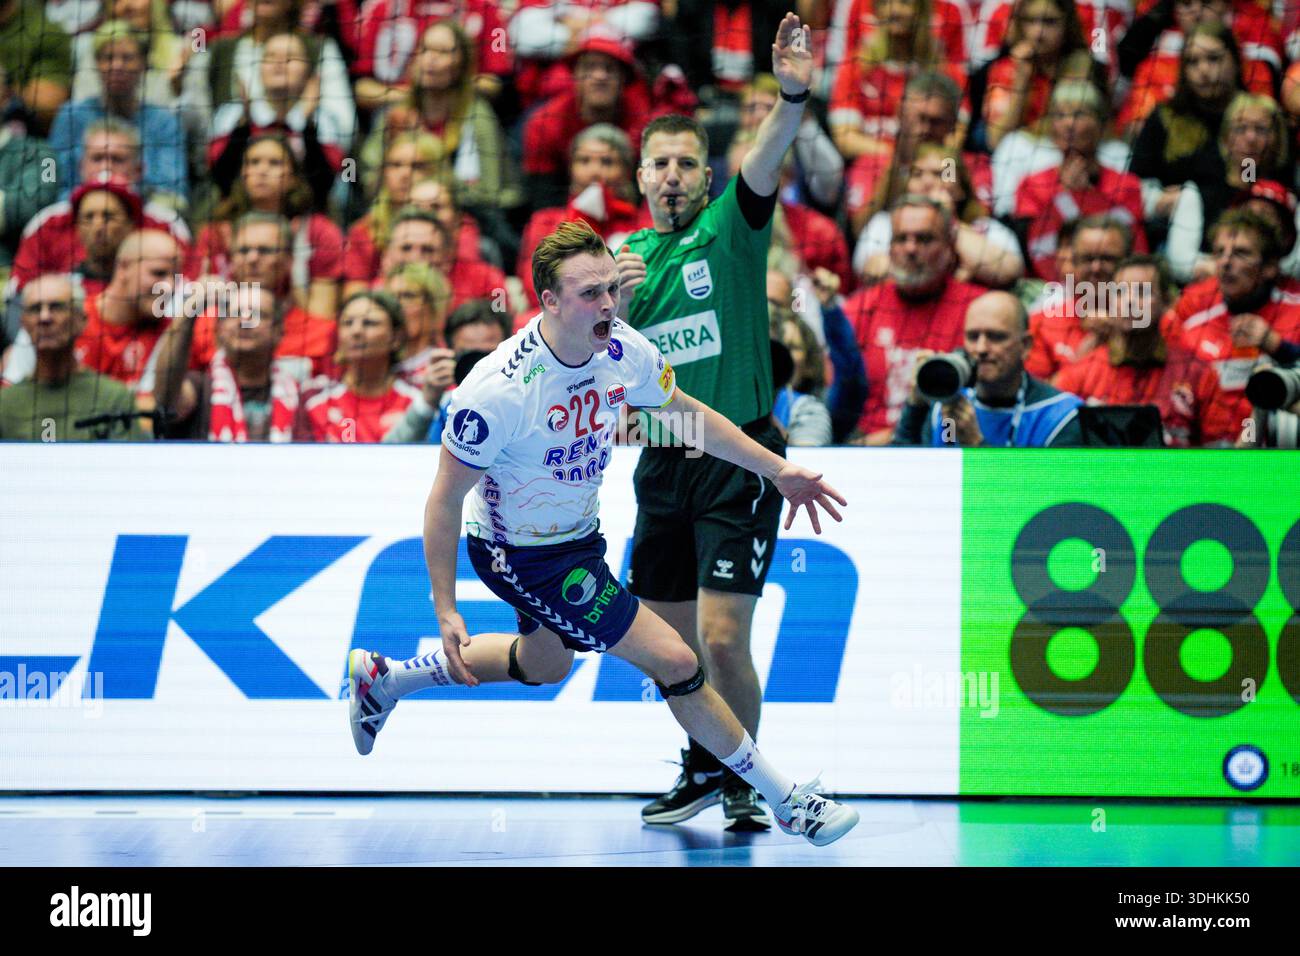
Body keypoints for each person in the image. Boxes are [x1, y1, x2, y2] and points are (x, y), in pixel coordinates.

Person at [345, 219, 860, 847]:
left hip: (578, 537)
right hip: (519, 554)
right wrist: (445, 604)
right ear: (550, 300)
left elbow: (687, 415)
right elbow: (444, 497)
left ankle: (386, 678)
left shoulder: (622, 347)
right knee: (675, 658)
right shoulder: (498, 389)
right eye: (590, 293)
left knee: (544, 664)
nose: (608, 305)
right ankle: (788, 801)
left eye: (612, 289)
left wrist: (777, 469)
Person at [613, 12, 818, 830]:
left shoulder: (730, 230)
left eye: (686, 164)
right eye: (658, 163)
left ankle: (744, 784)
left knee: (725, 640)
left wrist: (793, 93)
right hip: (661, 466)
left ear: (705, 177)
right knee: (670, 650)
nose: (671, 175)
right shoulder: (621, 265)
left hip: (738, 457)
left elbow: (766, 157)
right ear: (639, 176)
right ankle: (706, 767)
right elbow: (600, 385)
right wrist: (614, 316)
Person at [843, 195, 988, 444]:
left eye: (924, 239)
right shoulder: (858, 309)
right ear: (889, 247)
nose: (910, 249)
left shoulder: (978, 310)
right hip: (865, 451)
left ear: (950, 244)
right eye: (901, 239)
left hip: (944, 446)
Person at [1160, 208, 1300, 445]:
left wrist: (1277, 346)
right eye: (1219, 253)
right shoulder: (1193, 320)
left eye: (1241, 253)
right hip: (1209, 461)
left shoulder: (1296, 311)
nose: (1226, 262)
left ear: (1270, 267)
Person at [1054, 254, 1217, 446]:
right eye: (1120, 292)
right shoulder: (1078, 374)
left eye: (1142, 292)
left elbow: (1220, 450)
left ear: (1167, 302)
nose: (1129, 301)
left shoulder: (1198, 374)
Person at [893, 290, 1084, 446]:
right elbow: (907, 475)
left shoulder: (1059, 416)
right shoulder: (948, 406)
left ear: (1025, 345)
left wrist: (976, 444)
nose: (981, 348)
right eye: (973, 337)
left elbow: (1043, 491)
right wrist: (915, 405)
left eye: (996, 337)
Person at [192, 132, 343, 319]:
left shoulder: (320, 232)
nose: (262, 170)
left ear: (294, 177)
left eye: (275, 163)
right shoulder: (215, 233)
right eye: (254, 162)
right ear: (242, 174)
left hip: (297, 334)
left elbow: (322, 315)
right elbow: (201, 308)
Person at [1012, 81, 1148, 281]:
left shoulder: (1127, 185)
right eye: (1059, 115)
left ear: (1100, 124)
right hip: (1046, 284)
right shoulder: (1032, 185)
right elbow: (1031, 250)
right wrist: (1065, 197)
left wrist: (1088, 199)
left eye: (1079, 114)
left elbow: (1133, 247)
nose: (1068, 123)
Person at [49, 20, 189, 210]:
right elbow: (54, 180)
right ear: (97, 64)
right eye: (108, 57)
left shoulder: (164, 122)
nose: (117, 66)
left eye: (127, 58)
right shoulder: (70, 116)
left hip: (143, 215)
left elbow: (173, 189)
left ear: (143, 64)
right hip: (79, 215)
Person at [152, 282, 315, 442]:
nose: (244, 321)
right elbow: (166, 399)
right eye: (234, 314)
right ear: (219, 329)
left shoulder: (302, 397)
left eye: (257, 314)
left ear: (279, 331)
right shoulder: (200, 388)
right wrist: (190, 309)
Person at [517, 124, 649, 309]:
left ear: (627, 171)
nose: (594, 171)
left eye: (607, 162)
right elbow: (535, 291)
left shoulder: (645, 224)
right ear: (571, 169)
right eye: (584, 161)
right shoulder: (545, 222)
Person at [0, 274, 145, 441]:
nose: (44, 317)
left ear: (81, 321)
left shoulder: (113, 397)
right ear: (23, 323)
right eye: (35, 309)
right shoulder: (5, 404)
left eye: (57, 307)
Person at [854, 143, 1022, 288]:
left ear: (961, 188)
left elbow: (1007, 272)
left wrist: (949, 222)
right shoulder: (884, 223)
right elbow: (874, 270)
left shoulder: (986, 227)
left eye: (940, 174)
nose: (927, 182)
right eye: (917, 174)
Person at [845, 70, 992, 235]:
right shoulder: (872, 163)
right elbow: (859, 230)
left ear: (953, 123)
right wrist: (896, 164)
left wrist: (949, 161)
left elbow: (981, 223)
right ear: (900, 113)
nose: (926, 129)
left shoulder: (972, 165)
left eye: (936, 121)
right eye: (921, 118)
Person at [521, 29, 652, 212]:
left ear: (624, 78)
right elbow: (543, 198)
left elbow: (650, 190)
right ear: (575, 75)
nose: (600, 76)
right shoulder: (544, 123)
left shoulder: (645, 125)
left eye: (609, 68)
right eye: (589, 67)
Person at [381, 299, 511, 444]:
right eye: (469, 356)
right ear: (451, 355)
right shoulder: (444, 406)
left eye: (488, 356)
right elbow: (390, 453)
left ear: (509, 351)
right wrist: (428, 401)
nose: (479, 366)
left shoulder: (529, 397)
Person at [303, 290, 423, 442]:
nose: (356, 331)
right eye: (347, 323)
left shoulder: (420, 397)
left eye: (369, 323)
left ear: (396, 338)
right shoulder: (314, 396)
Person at [1025, 215, 1132, 381]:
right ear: (1073, 262)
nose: (1096, 268)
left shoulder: (1149, 322)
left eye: (1107, 259)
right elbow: (1038, 400)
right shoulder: (1041, 324)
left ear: (1128, 262)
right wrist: (1084, 356)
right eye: (1087, 259)